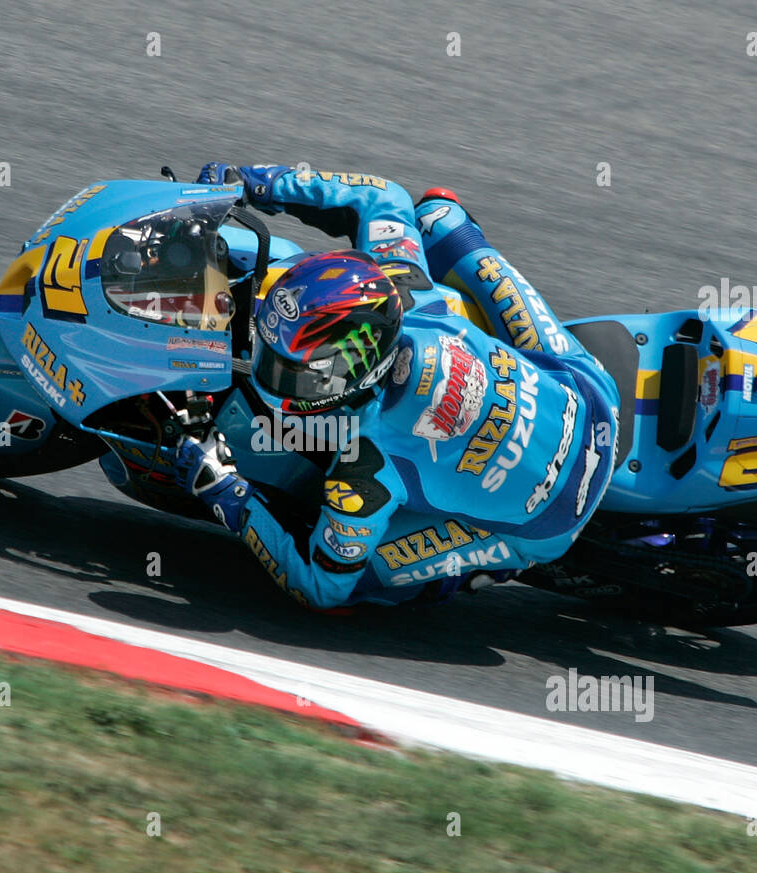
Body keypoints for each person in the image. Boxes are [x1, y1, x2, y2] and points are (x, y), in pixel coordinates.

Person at [174, 163, 620, 608]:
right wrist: (258, 184)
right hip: (586, 386)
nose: (271, 374)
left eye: (295, 371)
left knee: (358, 576)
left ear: (354, 372)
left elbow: (319, 587)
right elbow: (383, 198)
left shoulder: (366, 464)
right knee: (438, 216)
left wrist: (230, 498)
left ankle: (478, 570)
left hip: (551, 517)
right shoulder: (414, 296)